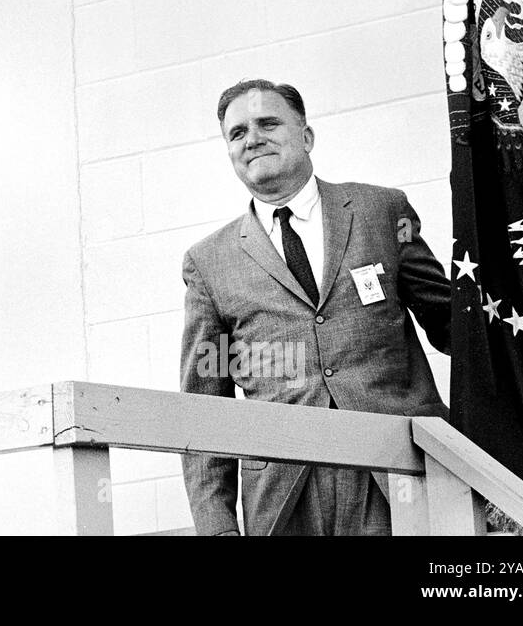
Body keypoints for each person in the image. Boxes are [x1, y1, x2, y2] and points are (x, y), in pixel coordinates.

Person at [179, 79, 451, 535]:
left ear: (306, 136)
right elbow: (204, 406)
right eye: (238, 132)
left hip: (397, 470)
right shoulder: (208, 262)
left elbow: (453, 329)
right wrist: (218, 527)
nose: (253, 139)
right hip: (284, 494)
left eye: (268, 123)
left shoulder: (380, 211)